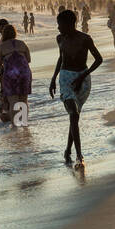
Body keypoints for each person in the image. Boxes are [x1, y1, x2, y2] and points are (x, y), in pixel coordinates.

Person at [49, 9, 103, 166]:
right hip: (66, 78)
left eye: (60, 24)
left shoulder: (85, 39)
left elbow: (99, 59)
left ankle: (68, 150)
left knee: (75, 116)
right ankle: (79, 155)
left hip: (83, 79)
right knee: (73, 113)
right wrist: (53, 79)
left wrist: (82, 77)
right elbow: (61, 58)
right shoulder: (60, 38)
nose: (58, 28)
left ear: (69, 24)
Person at [0, 23, 32, 124]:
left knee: (13, 102)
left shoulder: (2, 46)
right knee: (23, 101)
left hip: (10, 74)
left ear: (4, 34)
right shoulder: (22, 43)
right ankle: (24, 125)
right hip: (24, 72)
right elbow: (28, 59)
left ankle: (15, 127)